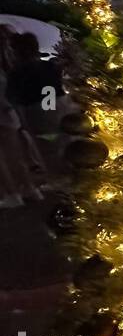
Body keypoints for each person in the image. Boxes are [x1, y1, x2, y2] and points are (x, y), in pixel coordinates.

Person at [0, 28, 46, 206]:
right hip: (11, 115)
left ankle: (11, 194)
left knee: (4, 157)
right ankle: (29, 189)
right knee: (16, 155)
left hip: (4, 114)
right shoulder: (8, 66)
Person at [6, 31, 64, 139]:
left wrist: (24, 128)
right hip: (57, 118)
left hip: (36, 123)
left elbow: (16, 103)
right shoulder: (51, 66)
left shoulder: (17, 73)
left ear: (16, 52)